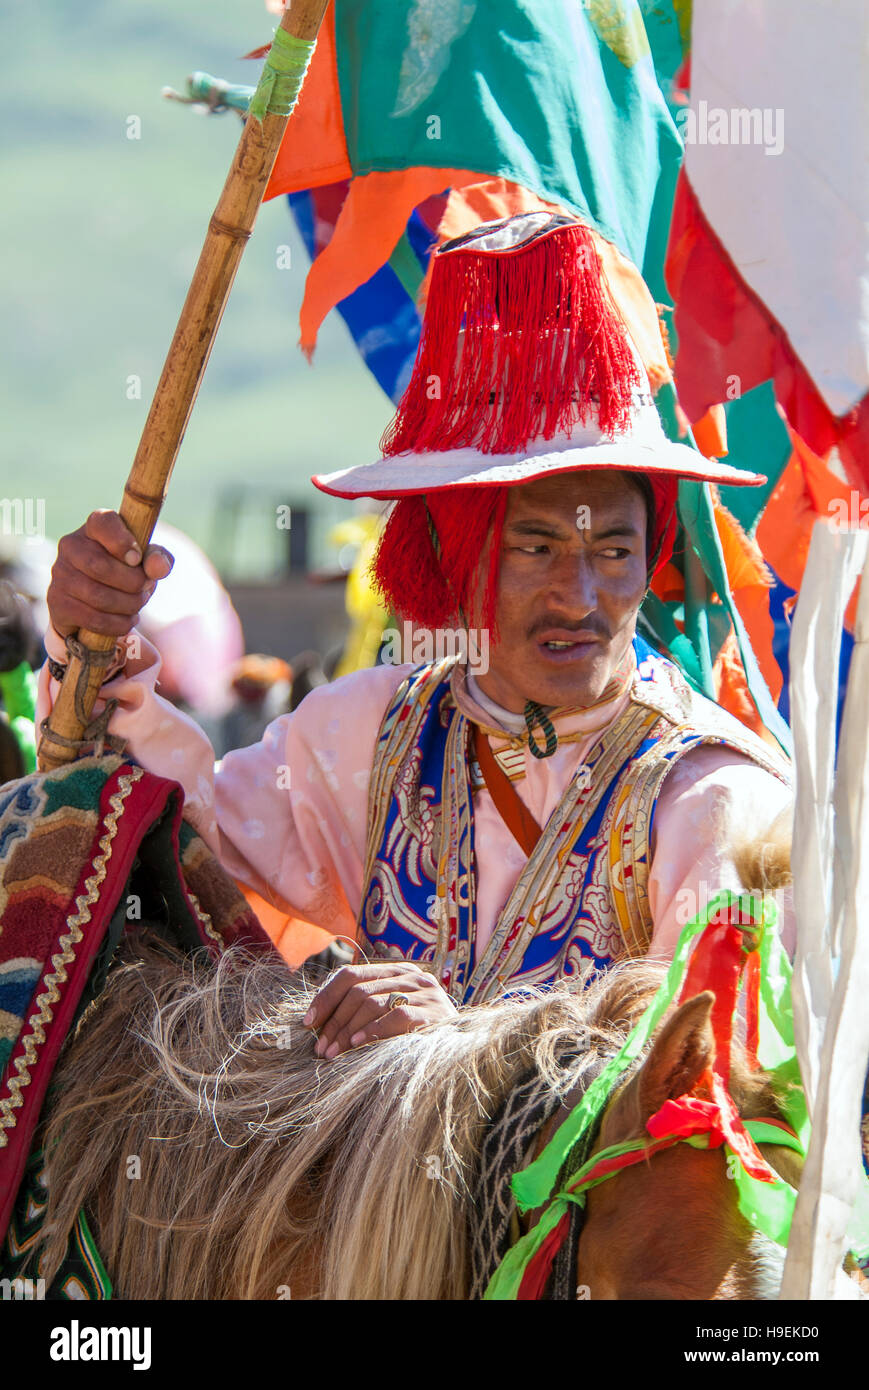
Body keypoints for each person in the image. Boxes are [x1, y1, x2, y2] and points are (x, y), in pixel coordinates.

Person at [40, 212, 792, 1059]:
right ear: (447, 551)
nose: (579, 596)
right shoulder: (371, 731)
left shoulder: (713, 800)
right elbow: (184, 850)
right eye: (533, 546)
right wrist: (99, 650)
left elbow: (718, 1081)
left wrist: (465, 1045)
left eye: (612, 549)